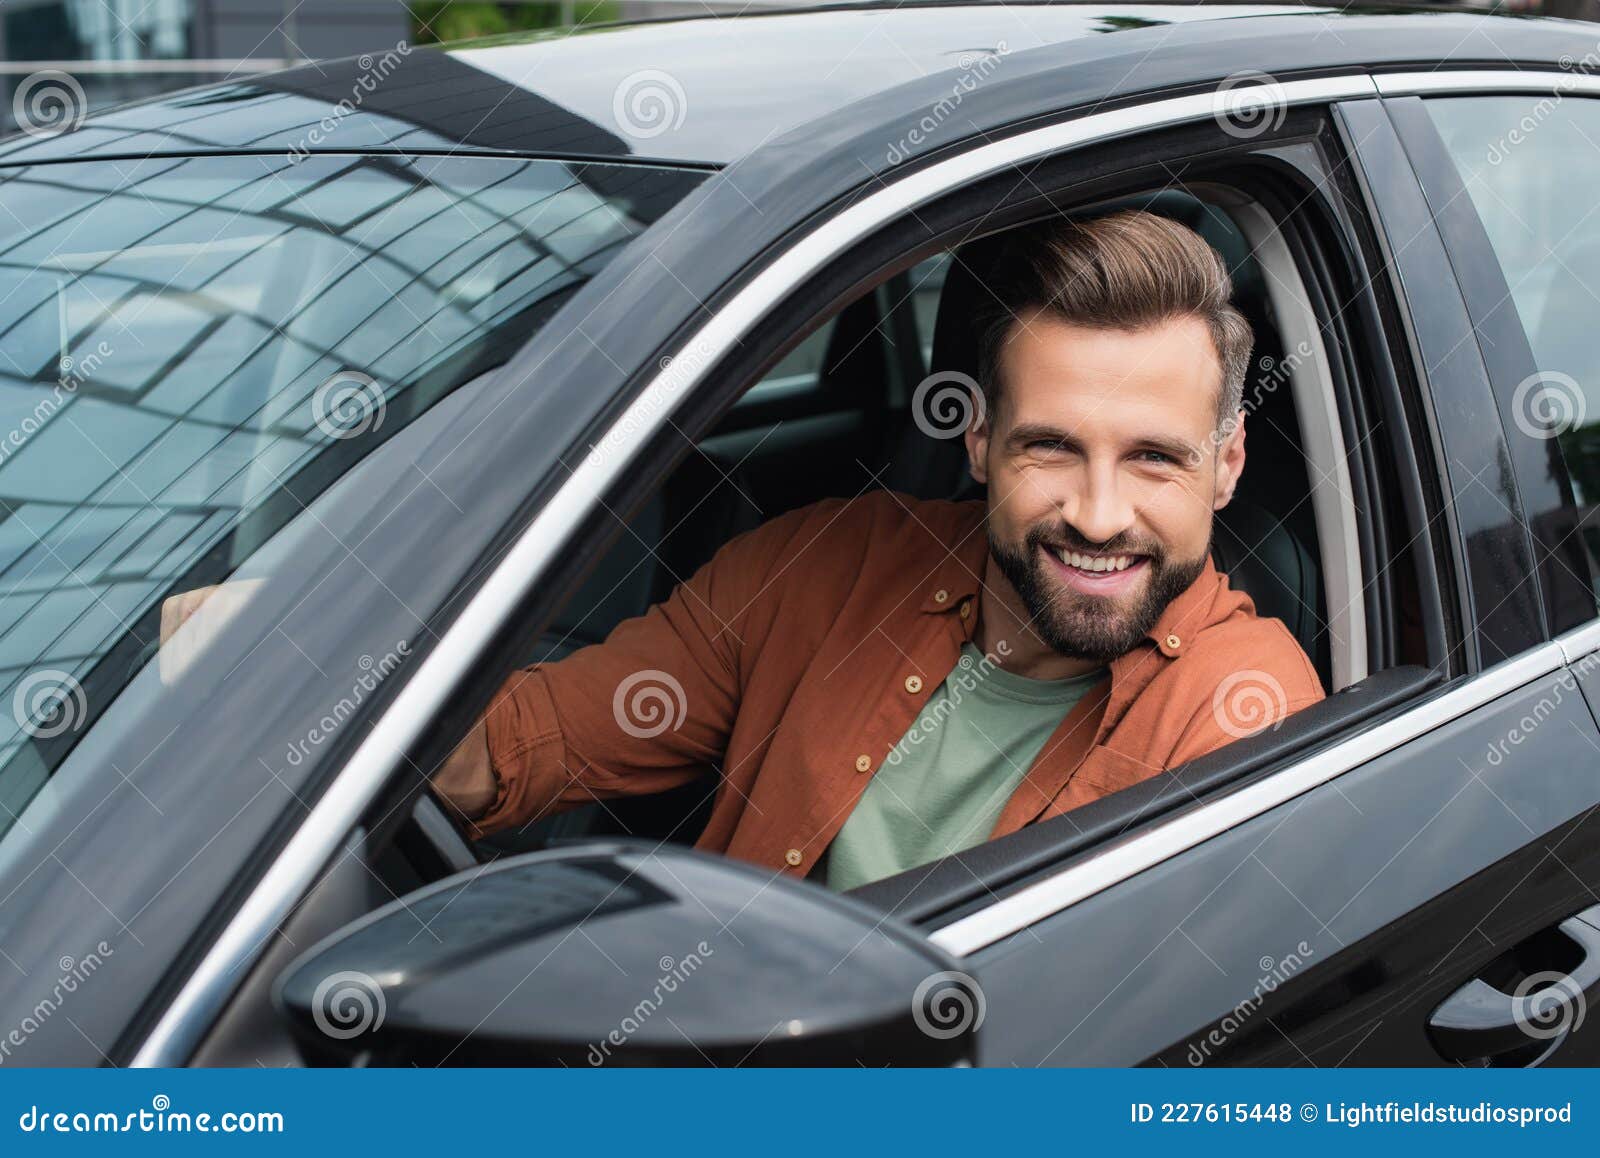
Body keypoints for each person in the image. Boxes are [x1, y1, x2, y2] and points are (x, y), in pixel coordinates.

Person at [191, 209, 1327, 890]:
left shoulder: (1243, 714)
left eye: (1153, 460)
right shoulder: (830, 562)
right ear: (977, 442)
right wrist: (282, 658)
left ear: (1226, 466)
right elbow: (515, 748)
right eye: (1049, 448)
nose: (1093, 512)